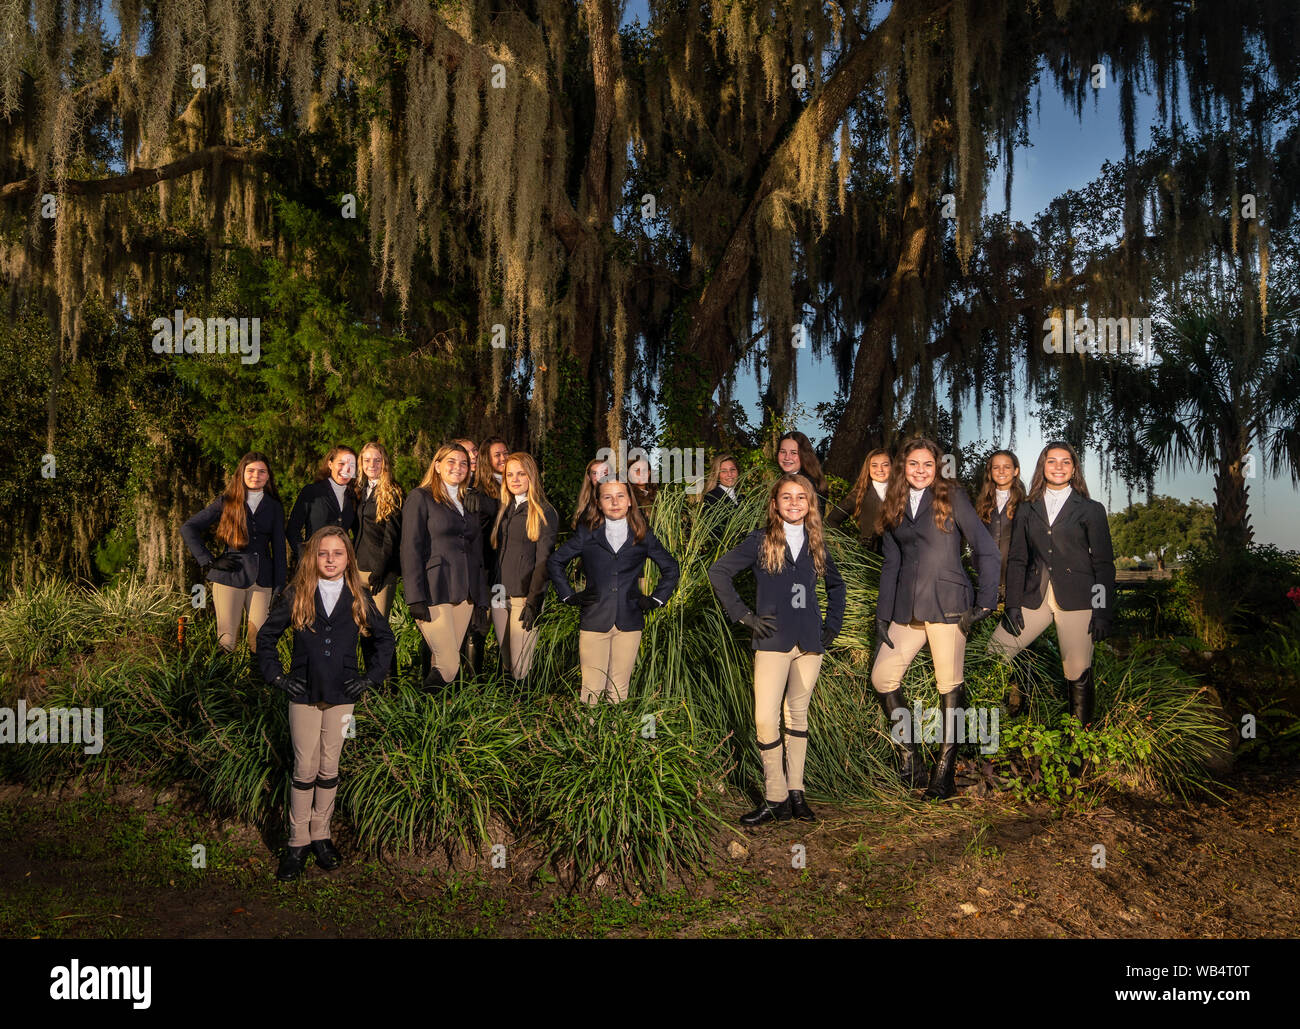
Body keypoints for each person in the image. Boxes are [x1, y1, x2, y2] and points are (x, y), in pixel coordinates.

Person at [256, 526, 395, 881]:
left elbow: (385, 641)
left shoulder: (359, 596)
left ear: (348, 558)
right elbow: (267, 637)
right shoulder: (297, 594)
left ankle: (322, 835)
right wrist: (278, 677)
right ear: (313, 557)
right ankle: (297, 841)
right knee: (305, 767)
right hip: (302, 693)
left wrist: (370, 678)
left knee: (329, 765)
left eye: (337, 553)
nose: (330, 559)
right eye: (323, 553)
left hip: (343, 697)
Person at [708, 474, 846, 826]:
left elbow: (837, 587)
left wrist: (831, 626)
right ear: (775, 504)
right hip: (772, 641)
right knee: (766, 719)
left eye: (802, 497)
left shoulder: (817, 543)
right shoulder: (759, 541)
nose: (795, 503)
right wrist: (745, 616)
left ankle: (796, 793)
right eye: (787, 497)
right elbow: (719, 573)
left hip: (810, 643)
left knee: (797, 716)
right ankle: (775, 795)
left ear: (810, 504)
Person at [871, 438, 1001, 799]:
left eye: (928, 464)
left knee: (949, 685)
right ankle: (911, 758)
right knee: (882, 678)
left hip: (948, 604)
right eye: (913, 464)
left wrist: (986, 601)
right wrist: (882, 615)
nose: (920, 471)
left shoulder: (952, 497)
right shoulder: (893, 504)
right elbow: (891, 563)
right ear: (903, 467)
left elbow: (986, 548)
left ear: (937, 467)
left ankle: (944, 774)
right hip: (906, 608)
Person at [986, 441, 1116, 732]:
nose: (1058, 467)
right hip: (1034, 597)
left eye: (1065, 461)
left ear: (1074, 468)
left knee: (1076, 669)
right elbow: (1018, 559)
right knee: (994, 653)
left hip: (1080, 600)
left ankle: (1078, 748)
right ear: (1042, 466)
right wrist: (1013, 605)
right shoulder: (1027, 509)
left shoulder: (1092, 510)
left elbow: (1104, 565)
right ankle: (994, 734)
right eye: (1052, 461)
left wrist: (1103, 610)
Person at [547, 479, 680, 704]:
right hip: (594, 619)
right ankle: (587, 738)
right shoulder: (587, 534)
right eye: (607, 497)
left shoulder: (642, 534)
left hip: (630, 621)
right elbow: (555, 562)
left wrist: (656, 599)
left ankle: (616, 737)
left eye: (620, 496)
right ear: (598, 503)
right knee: (591, 690)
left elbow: (671, 567)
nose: (615, 502)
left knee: (619, 691)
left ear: (630, 501)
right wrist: (568, 595)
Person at [400, 443, 490, 691]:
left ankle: (431, 724)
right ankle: (419, 710)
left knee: (442, 662)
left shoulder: (468, 500)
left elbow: (476, 553)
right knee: (449, 665)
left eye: (463, 463)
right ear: (437, 465)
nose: (458, 467)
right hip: (434, 590)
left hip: (465, 593)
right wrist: (414, 597)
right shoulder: (420, 497)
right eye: (451, 461)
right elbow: (410, 548)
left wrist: (481, 599)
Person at [182, 451, 287, 653]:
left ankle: (257, 684)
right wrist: (208, 561)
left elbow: (279, 549)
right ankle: (226, 683)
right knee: (227, 640)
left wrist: (279, 585)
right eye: (251, 470)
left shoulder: (274, 507)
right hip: (229, 577)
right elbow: (189, 527)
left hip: (263, 580)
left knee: (260, 640)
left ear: (268, 476)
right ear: (242, 473)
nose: (256, 475)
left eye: (262, 471)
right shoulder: (226, 502)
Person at [489, 452, 558, 684]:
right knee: (507, 662)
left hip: (524, 596)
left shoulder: (543, 511)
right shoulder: (503, 509)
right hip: (499, 594)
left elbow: (544, 561)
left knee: (521, 666)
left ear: (531, 476)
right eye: (510, 475)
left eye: (521, 474)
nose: (515, 479)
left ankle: (527, 713)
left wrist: (534, 601)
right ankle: (509, 713)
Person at [456, 437, 499, 678]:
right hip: (454, 571)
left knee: (478, 627)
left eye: (474, 450)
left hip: (484, 570)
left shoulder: (488, 486)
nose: (471, 455)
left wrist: (482, 499)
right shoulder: (445, 488)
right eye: (465, 452)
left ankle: (473, 687)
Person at [354, 442, 403, 619]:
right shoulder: (360, 490)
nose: (372, 465)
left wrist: (380, 570)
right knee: (361, 627)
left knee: (379, 628)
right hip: (358, 569)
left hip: (381, 570)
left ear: (385, 463)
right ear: (361, 463)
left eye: (377, 460)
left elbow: (393, 536)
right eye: (367, 460)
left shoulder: (393, 491)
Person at [287, 447, 359, 560]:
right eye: (341, 463)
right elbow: (292, 529)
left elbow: (359, 532)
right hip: (313, 566)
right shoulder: (312, 491)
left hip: (340, 568)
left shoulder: (353, 497)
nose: (346, 469)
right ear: (330, 464)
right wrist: (305, 557)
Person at [975, 450, 1026, 603]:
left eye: (1007, 467)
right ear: (990, 472)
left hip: (1016, 583)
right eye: (996, 467)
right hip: (985, 581)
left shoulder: (1027, 504)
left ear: (1016, 471)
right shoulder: (981, 503)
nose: (1001, 471)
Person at [826, 448, 891, 554]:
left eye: (885, 465)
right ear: (868, 468)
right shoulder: (859, 494)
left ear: (892, 467)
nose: (880, 469)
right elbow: (831, 520)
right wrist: (850, 546)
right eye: (874, 465)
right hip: (870, 558)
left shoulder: (901, 492)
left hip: (900, 558)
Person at [774, 432, 829, 516]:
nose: (787, 457)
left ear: (804, 455)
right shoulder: (783, 479)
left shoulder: (807, 484)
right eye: (783, 452)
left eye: (793, 453)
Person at [571, 457, 612, 528]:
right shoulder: (586, 503)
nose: (600, 476)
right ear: (589, 477)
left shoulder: (619, 500)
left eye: (604, 472)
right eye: (595, 473)